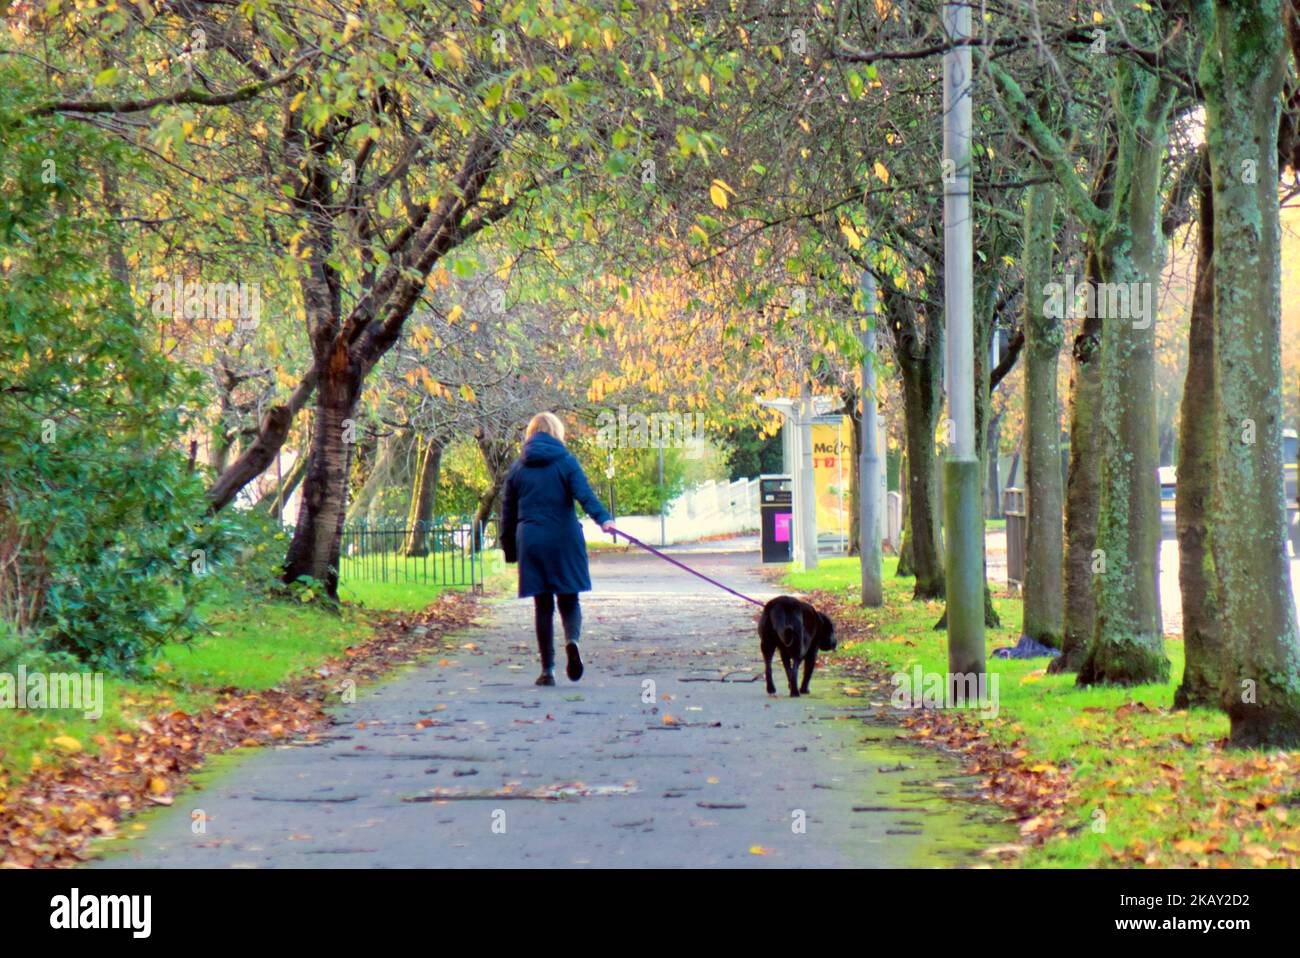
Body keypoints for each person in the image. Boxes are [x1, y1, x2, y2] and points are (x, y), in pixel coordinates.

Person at [500, 412, 614, 686]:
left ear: (530, 433)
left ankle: (547, 670)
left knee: (542, 605)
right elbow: (584, 494)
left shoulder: (517, 468)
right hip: (564, 537)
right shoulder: (566, 462)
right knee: (569, 598)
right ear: (557, 432)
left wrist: (510, 550)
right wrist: (604, 519)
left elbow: (507, 513)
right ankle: (572, 641)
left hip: (532, 540)